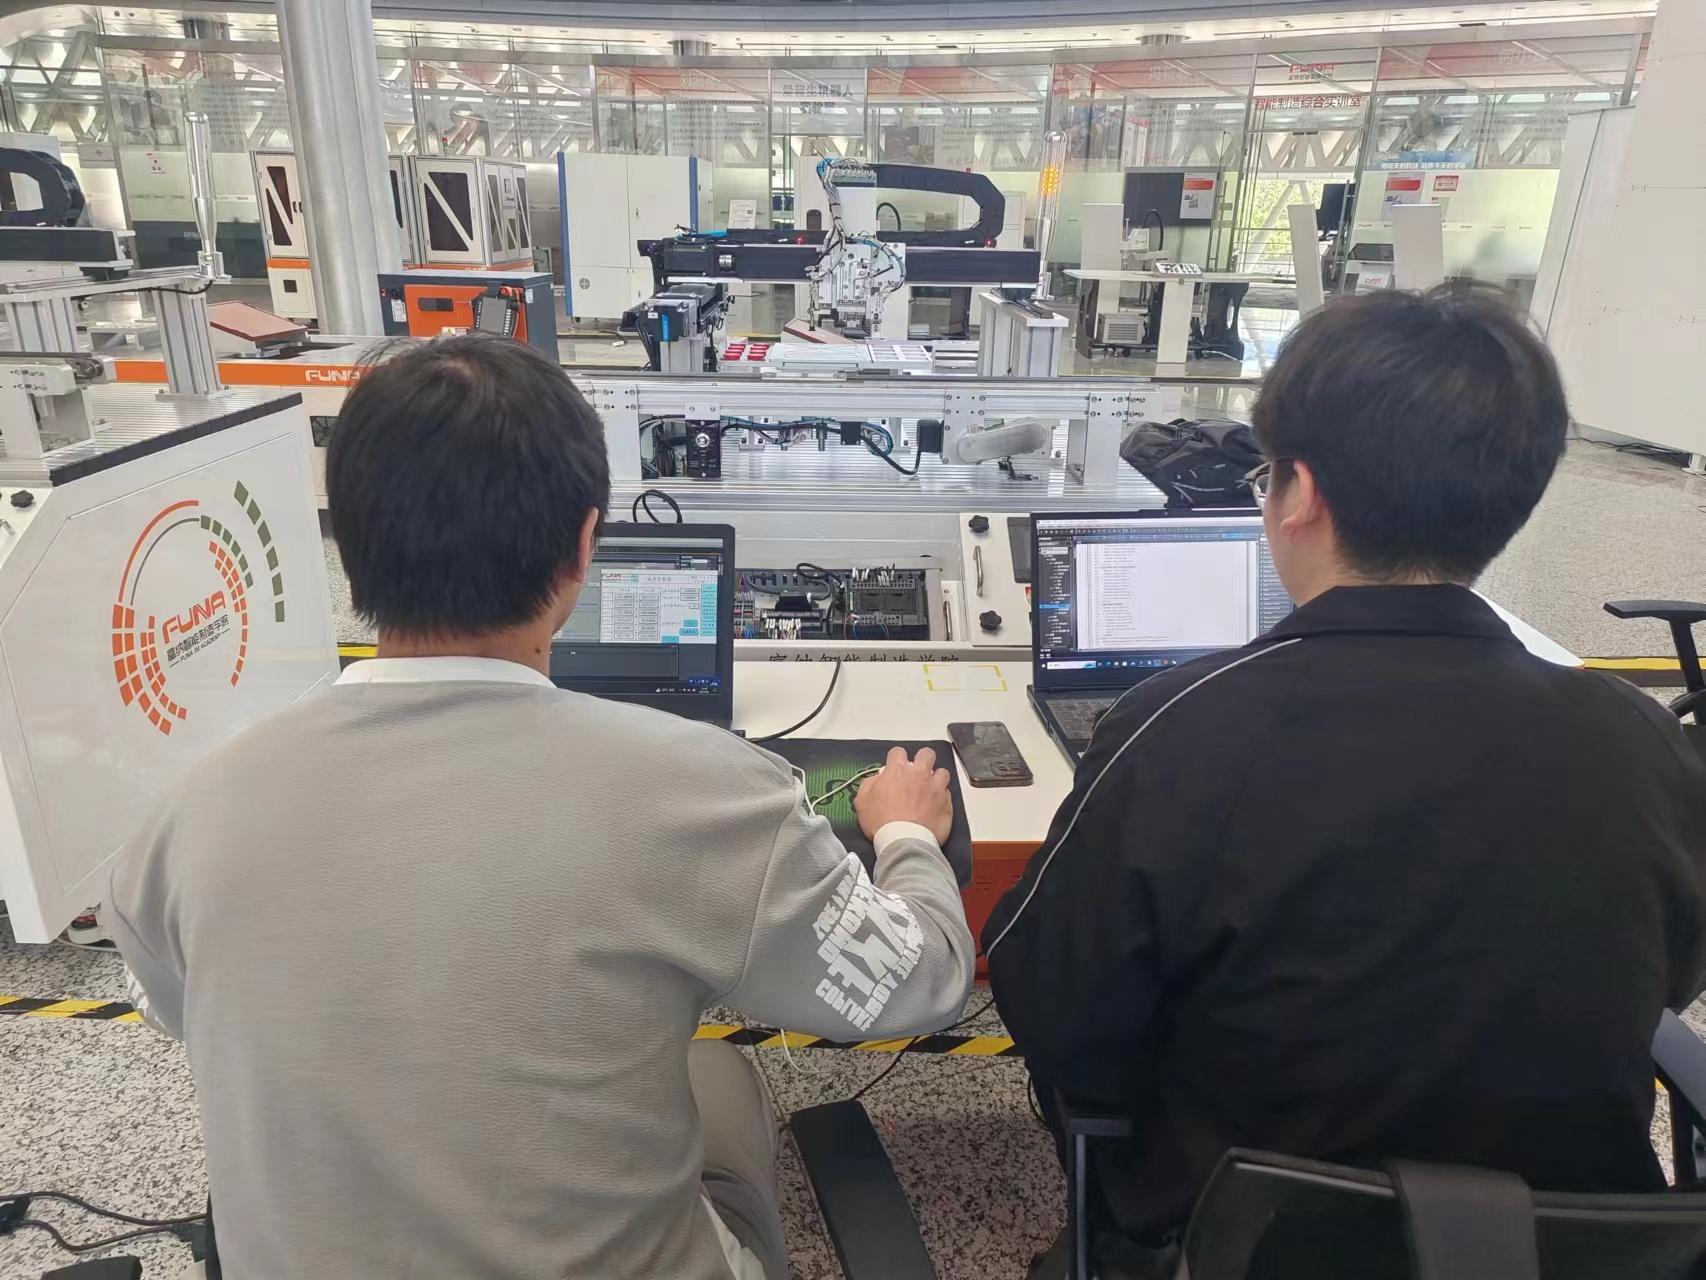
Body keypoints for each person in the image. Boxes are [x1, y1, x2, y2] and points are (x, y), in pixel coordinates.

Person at [104, 334, 976, 1280]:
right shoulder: (708, 793)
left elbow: (183, 1014)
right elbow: (920, 983)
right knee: (720, 1074)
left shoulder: (191, 811)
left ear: (347, 545)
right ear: (584, 546)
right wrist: (904, 832)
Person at [985, 284, 1706, 1278]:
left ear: (1301, 494)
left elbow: (1052, 1003)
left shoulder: (1180, 726)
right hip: (1566, 1253)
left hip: (1236, 1243)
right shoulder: (1643, 740)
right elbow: (1670, 975)